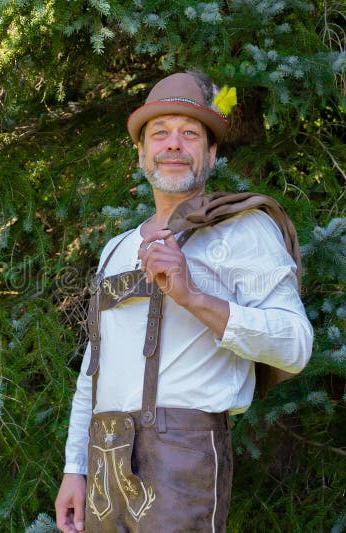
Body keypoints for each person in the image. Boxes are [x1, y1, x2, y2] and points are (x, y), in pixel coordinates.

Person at [54, 71, 314, 533]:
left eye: (190, 134)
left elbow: (295, 345)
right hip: (104, 459)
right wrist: (75, 466)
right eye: (160, 133)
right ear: (141, 153)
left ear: (211, 154)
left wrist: (191, 295)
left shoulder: (243, 229)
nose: (173, 144)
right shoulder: (115, 250)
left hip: (185, 453)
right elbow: (94, 367)